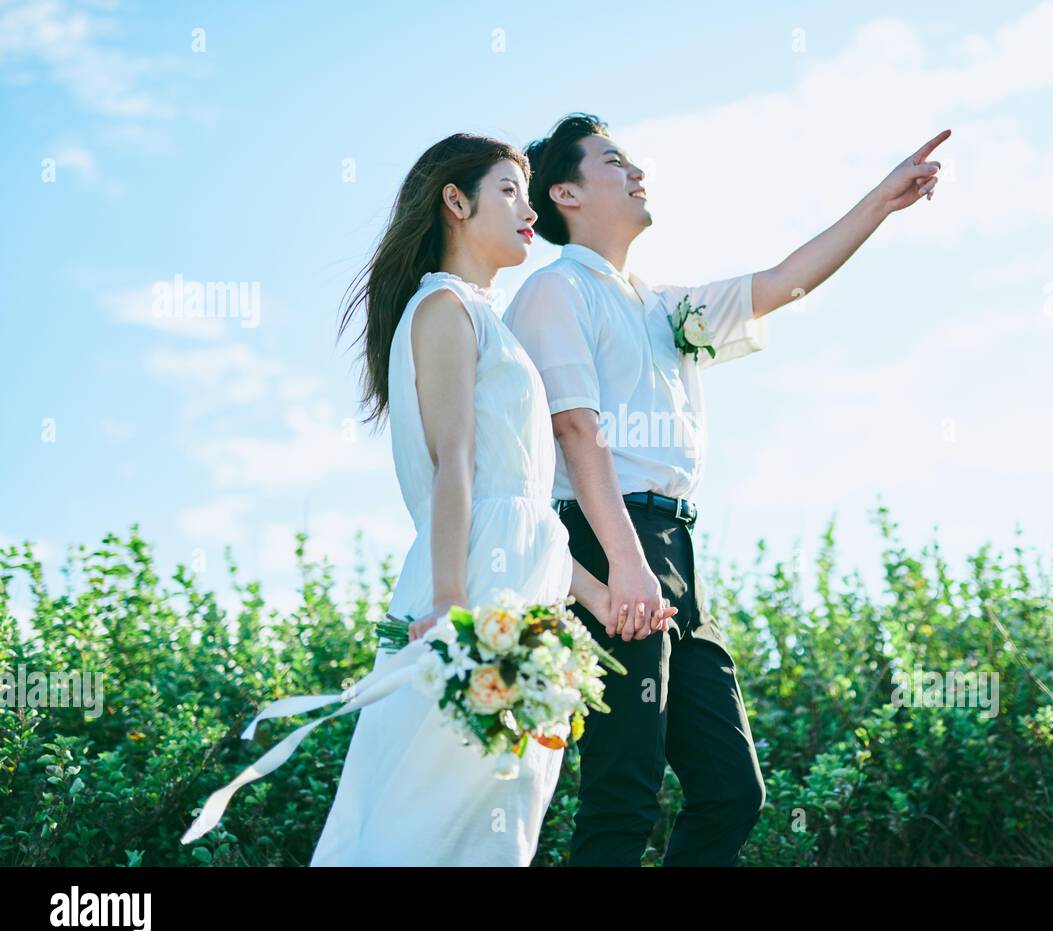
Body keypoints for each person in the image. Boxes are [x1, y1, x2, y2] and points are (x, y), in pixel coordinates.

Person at [179, 132, 677, 865]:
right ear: (456, 201)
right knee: (431, 823)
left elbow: (525, 512)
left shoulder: (480, 316)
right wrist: (450, 607)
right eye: (509, 190)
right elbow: (457, 467)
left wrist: (600, 601)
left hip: (520, 596)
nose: (527, 208)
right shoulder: (444, 308)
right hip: (476, 596)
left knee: (492, 826)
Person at [504, 113, 949, 866]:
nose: (637, 171)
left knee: (732, 789)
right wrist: (625, 563)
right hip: (611, 541)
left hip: (674, 550)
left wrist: (882, 199)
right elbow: (577, 433)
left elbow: (783, 282)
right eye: (614, 162)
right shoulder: (556, 292)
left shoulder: (661, 305)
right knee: (624, 787)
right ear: (566, 193)